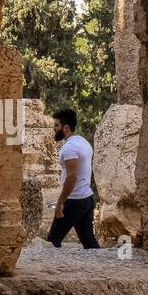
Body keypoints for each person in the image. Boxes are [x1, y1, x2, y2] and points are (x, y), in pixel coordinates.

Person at [47, 107, 100, 249]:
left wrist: (60, 202)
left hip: (74, 201)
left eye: (56, 125)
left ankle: (50, 271)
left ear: (66, 128)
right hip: (87, 198)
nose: (54, 128)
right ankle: (102, 268)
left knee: (52, 242)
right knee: (89, 242)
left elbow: (72, 177)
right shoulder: (83, 142)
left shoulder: (69, 148)